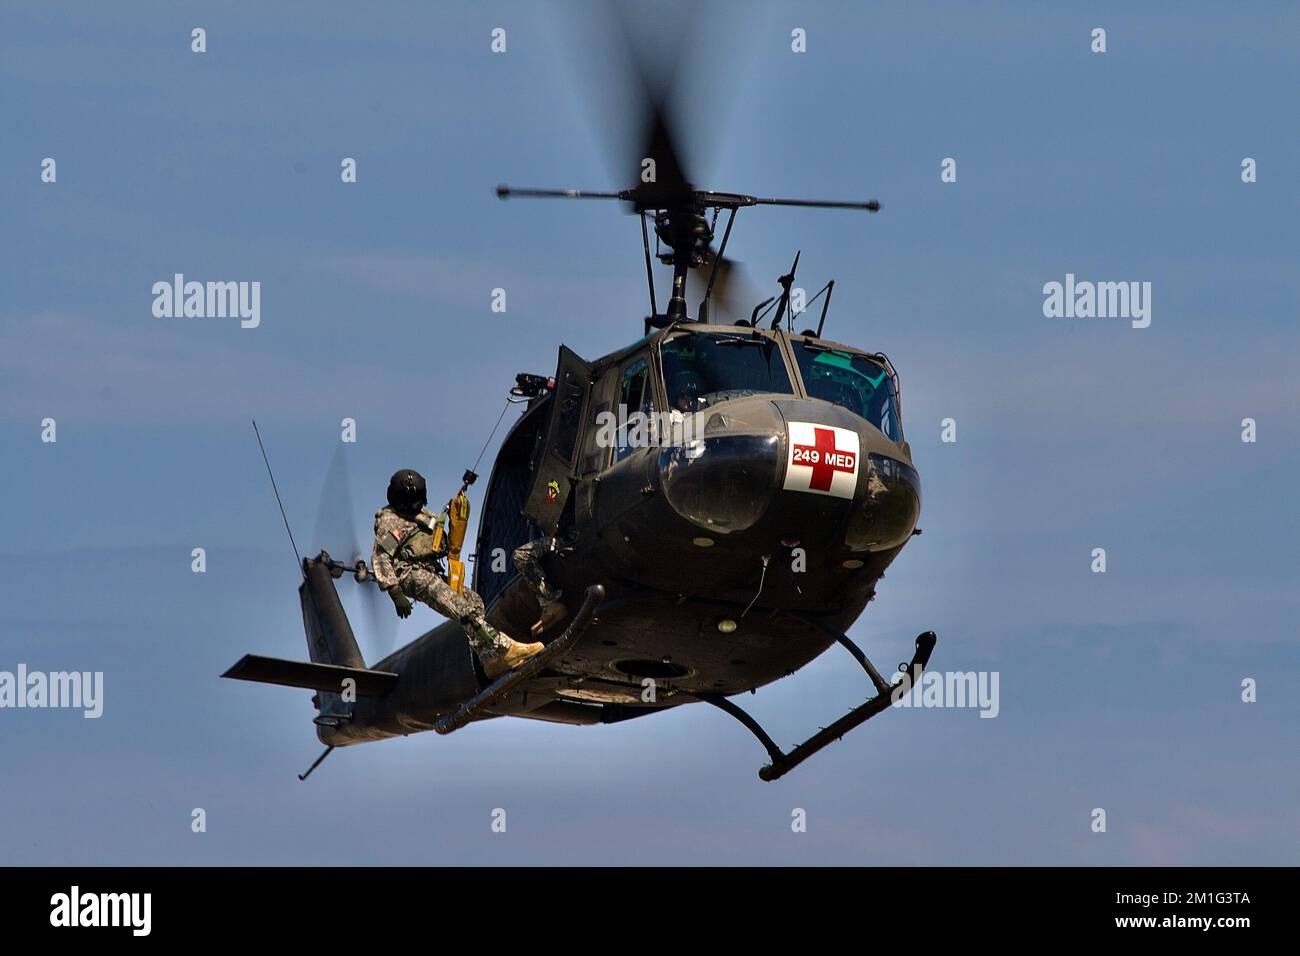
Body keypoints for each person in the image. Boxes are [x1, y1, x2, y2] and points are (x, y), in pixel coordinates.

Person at [372, 468, 543, 679]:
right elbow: (381, 557)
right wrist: (395, 591)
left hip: (430, 571)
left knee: (473, 602)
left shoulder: (422, 515)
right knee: (460, 607)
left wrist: (455, 517)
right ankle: (505, 648)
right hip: (410, 574)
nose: (419, 506)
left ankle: (489, 658)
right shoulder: (389, 522)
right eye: (414, 503)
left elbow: (439, 541)